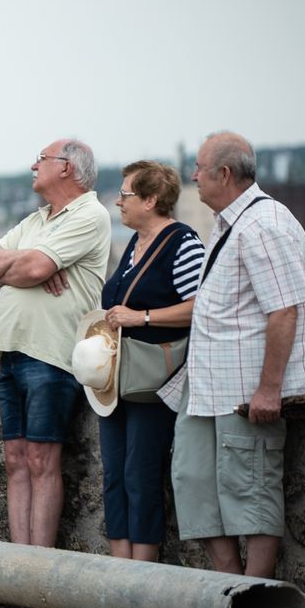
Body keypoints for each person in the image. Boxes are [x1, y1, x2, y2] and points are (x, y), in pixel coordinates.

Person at [163, 131, 305, 578]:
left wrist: (269, 389)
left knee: (250, 491)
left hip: (246, 391)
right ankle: (231, 588)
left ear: (224, 174)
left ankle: (257, 596)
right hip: (208, 389)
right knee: (193, 483)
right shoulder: (232, 223)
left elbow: (284, 310)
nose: (192, 176)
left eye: (199, 168)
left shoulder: (263, 222)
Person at [0, 139, 111, 548]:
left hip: (49, 354)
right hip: (10, 350)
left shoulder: (90, 214)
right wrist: (31, 264)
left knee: (41, 461)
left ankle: (40, 565)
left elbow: (34, 266)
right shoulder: (37, 220)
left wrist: (25, 265)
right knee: (16, 461)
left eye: (42, 159)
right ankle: (20, 564)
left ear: (67, 168)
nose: (34, 165)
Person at [95, 162, 204, 561]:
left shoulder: (183, 243)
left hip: (154, 379)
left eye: (125, 195)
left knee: (141, 475)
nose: (119, 202)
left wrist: (141, 317)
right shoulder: (134, 244)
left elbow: (200, 306)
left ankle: (143, 578)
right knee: (114, 476)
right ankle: (119, 568)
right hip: (118, 378)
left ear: (151, 200)